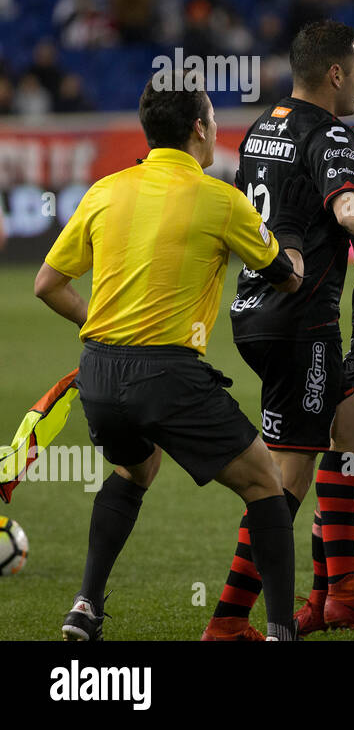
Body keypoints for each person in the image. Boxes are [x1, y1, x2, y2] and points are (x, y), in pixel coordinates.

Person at [37, 73, 304, 641]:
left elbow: (47, 284)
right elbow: (285, 279)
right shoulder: (219, 198)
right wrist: (299, 251)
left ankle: (84, 605)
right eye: (210, 120)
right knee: (266, 483)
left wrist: (106, 328)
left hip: (100, 373)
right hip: (167, 374)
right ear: (201, 129)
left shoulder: (105, 190)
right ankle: (283, 629)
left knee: (135, 468)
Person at [205, 20, 354, 639]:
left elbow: (271, 203)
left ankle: (343, 590)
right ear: (336, 73)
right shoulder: (330, 132)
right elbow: (347, 209)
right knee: (282, 481)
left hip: (256, 311)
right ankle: (229, 621)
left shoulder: (265, 125)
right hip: (299, 321)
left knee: (351, 424)